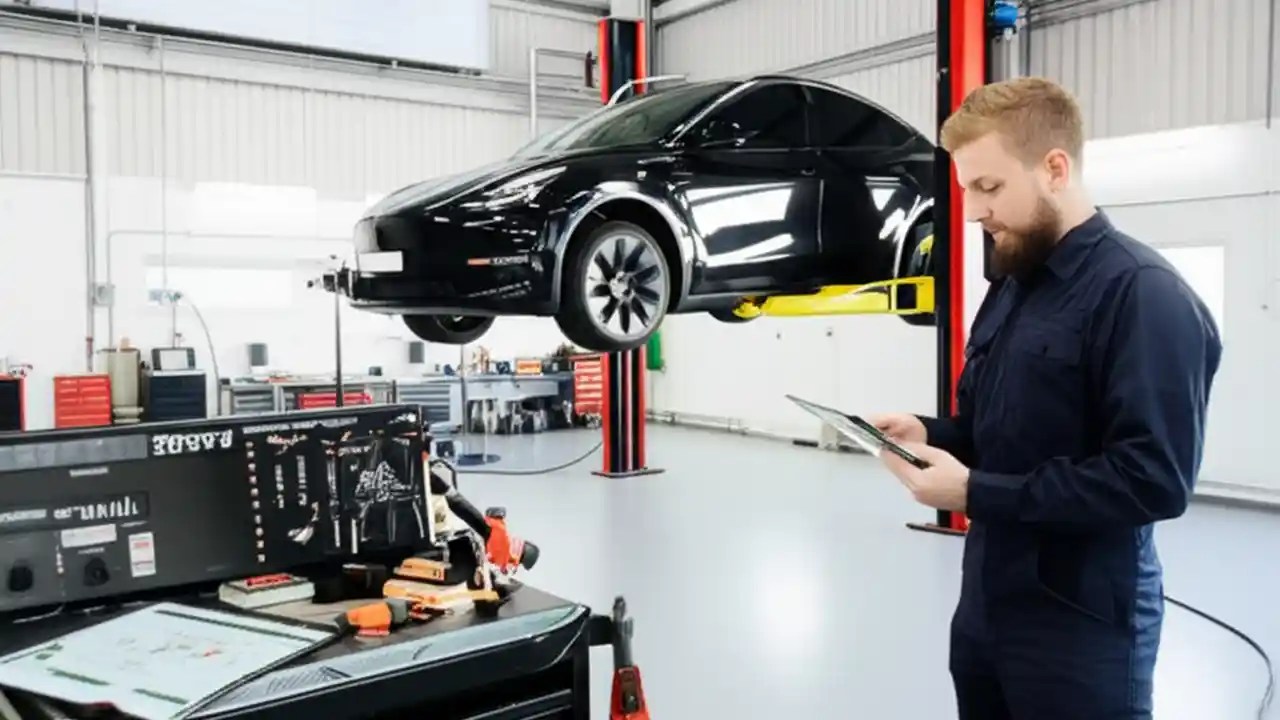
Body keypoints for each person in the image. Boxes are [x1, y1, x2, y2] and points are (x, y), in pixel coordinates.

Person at [871, 77, 1222, 719]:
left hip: (1081, 626)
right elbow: (994, 429)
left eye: (989, 187)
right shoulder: (1013, 286)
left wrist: (976, 494)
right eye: (966, 190)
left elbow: (1154, 480)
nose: (974, 211)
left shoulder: (1142, 295)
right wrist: (928, 434)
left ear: (1055, 168)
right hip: (987, 607)